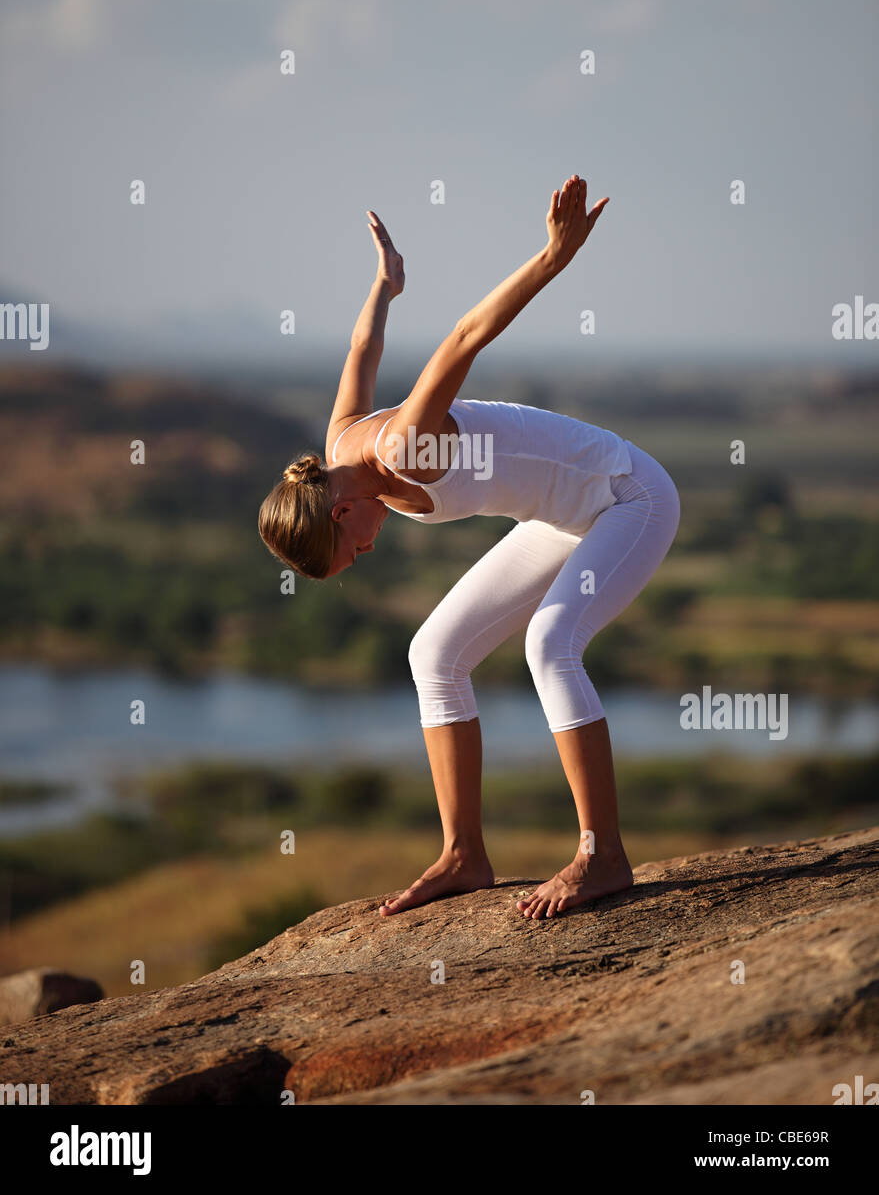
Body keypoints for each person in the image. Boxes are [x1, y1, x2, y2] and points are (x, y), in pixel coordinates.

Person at [259, 176, 680, 920]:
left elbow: (462, 338)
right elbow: (363, 344)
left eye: (347, 552)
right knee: (433, 655)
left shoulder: (401, 449)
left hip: (627, 496)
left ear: (344, 508)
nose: (361, 558)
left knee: (551, 644)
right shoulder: (339, 452)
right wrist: (384, 288)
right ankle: (463, 855)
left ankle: (602, 854)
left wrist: (553, 256)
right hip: (559, 519)